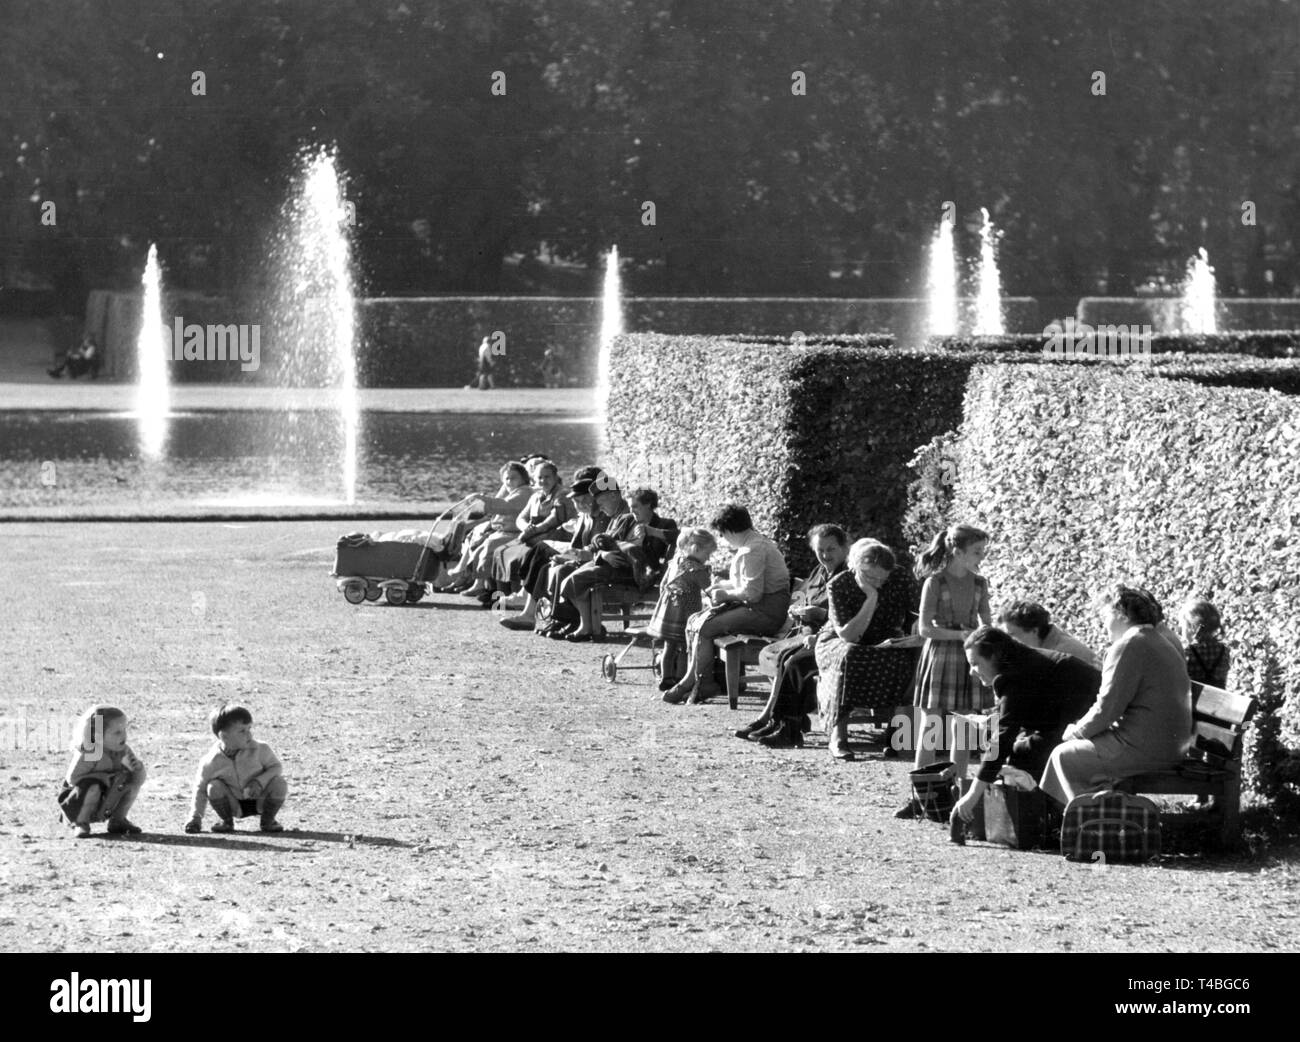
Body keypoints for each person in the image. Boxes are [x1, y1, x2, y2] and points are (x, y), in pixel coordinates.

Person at [1039, 586, 1194, 806]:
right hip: (1167, 746)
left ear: (1121, 615)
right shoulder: (1159, 640)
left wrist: (1076, 732)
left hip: (1145, 749)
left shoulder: (1129, 645)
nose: (1103, 624)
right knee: (1073, 752)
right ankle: (1096, 814)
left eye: (1106, 616)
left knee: (1064, 756)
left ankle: (1091, 822)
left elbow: (1106, 709)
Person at [950, 626, 1102, 832]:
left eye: (975, 664)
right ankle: (1040, 819)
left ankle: (1044, 824)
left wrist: (973, 793)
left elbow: (1003, 737)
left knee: (1021, 753)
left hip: (1091, 729)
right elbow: (1013, 714)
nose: (971, 672)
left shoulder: (1014, 675)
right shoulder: (1020, 661)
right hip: (1069, 723)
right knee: (1020, 751)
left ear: (994, 655)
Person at [662, 504, 791, 705]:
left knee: (705, 627)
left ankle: (700, 684)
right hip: (760, 607)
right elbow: (748, 584)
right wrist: (721, 586)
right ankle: (695, 681)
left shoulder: (752, 550)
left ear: (729, 530)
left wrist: (724, 595)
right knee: (695, 620)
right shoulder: (754, 544)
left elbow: (752, 594)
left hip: (765, 613)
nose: (723, 539)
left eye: (722, 534)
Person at [736, 523, 850, 746]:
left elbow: (848, 615)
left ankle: (781, 722)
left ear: (845, 547)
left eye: (831, 549)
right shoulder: (819, 571)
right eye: (820, 550)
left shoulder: (848, 575)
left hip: (829, 639)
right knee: (776, 655)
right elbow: (805, 597)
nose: (825, 555)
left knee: (790, 661)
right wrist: (798, 611)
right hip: (807, 633)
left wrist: (820, 613)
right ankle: (778, 720)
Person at [813, 539, 919, 760]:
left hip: (885, 639)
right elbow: (849, 635)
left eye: (882, 578)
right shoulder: (840, 584)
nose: (877, 583)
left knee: (907, 658)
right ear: (855, 566)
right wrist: (871, 598)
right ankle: (838, 736)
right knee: (851, 655)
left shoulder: (900, 578)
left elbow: (918, 611)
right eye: (870, 577)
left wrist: (914, 637)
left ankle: (898, 734)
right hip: (839, 640)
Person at [908, 524, 993, 774]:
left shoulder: (980, 583)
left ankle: (958, 785)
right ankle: (920, 789)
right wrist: (959, 634)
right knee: (931, 723)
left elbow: (986, 622)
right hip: (941, 656)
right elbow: (924, 629)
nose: (981, 556)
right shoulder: (935, 582)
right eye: (977, 551)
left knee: (965, 724)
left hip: (969, 658)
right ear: (958, 551)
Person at [560, 486, 677, 641]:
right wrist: (604, 554)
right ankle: (586, 625)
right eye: (630, 507)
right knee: (570, 578)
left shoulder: (664, 523)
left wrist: (652, 531)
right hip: (612, 564)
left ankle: (585, 627)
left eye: (635, 506)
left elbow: (681, 537)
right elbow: (599, 540)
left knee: (576, 579)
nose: (632, 511)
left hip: (638, 573)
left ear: (648, 504)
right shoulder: (626, 519)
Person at [500, 471, 609, 633]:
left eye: (585, 499)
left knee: (543, 551)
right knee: (543, 556)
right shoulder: (585, 516)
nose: (581, 504)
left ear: (595, 498)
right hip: (580, 553)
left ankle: (534, 612)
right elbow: (576, 542)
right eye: (577, 501)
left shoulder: (602, 517)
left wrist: (567, 555)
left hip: (591, 558)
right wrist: (564, 555)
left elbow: (593, 546)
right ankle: (542, 614)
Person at [184, 704, 288, 834]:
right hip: (234, 805)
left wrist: (259, 781)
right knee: (213, 786)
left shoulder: (260, 749)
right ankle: (226, 822)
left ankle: (268, 820)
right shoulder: (211, 761)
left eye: (249, 728)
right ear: (224, 736)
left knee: (279, 783)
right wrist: (195, 818)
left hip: (260, 800)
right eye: (242, 731)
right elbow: (200, 790)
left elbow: (276, 767)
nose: (249, 735)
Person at [440, 461, 533, 599]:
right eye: (506, 478)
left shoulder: (524, 493)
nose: (509, 482)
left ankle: (479, 583)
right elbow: (499, 502)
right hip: (504, 530)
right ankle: (475, 580)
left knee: (488, 545)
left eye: (513, 478)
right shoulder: (513, 491)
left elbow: (504, 506)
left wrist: (481, 499)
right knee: (478, 540)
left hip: (515, 533)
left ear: (523, 478)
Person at [490, 460, 573, 604]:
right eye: (540, 477)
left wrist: (533, 530)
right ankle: (500, 595)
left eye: (547, 477)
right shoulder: (535, 496)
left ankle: (522, 595)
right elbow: (521, 518)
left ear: (554, 477)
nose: (543, 481)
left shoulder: (561, 495)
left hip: (554, 537)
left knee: (524, 555)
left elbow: (553, 520)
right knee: (500, 551)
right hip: (533, 535)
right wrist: (525, 527)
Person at [57, 705, 147, 838]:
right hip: (77, 801)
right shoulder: (92, 751)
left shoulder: (122, 750)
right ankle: (80, 823)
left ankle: (118, 820)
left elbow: (138, 780)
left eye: (124, 730)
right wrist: (101, 777)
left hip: (105, 797)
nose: (124, 736)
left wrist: (138, 769)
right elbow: (73, 779)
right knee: (93, 786)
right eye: (117, 732)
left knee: (131, 783)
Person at [647, 528, 718, 690]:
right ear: (696, 549)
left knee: (669, 647)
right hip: (685, 612)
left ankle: (666, 678)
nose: (708, 558)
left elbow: (664, 584)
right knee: (686, 647)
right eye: (707, 553)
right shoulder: (697, 569)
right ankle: (681, 680)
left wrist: (667, 602)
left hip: (669, 609)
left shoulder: (676, 561)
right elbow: (711, 591)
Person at [997, 600, 1101, 668]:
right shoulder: (1048, 645)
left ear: (1034, 630)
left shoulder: (1062, 655)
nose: (1007, 641)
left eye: (1012, 635)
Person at [1180, 596, 1230, 688]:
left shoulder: (1187, 652)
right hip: (1217, 700)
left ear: (1191, 628)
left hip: (1193, 700)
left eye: (1183, 626)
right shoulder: (1224, 650)